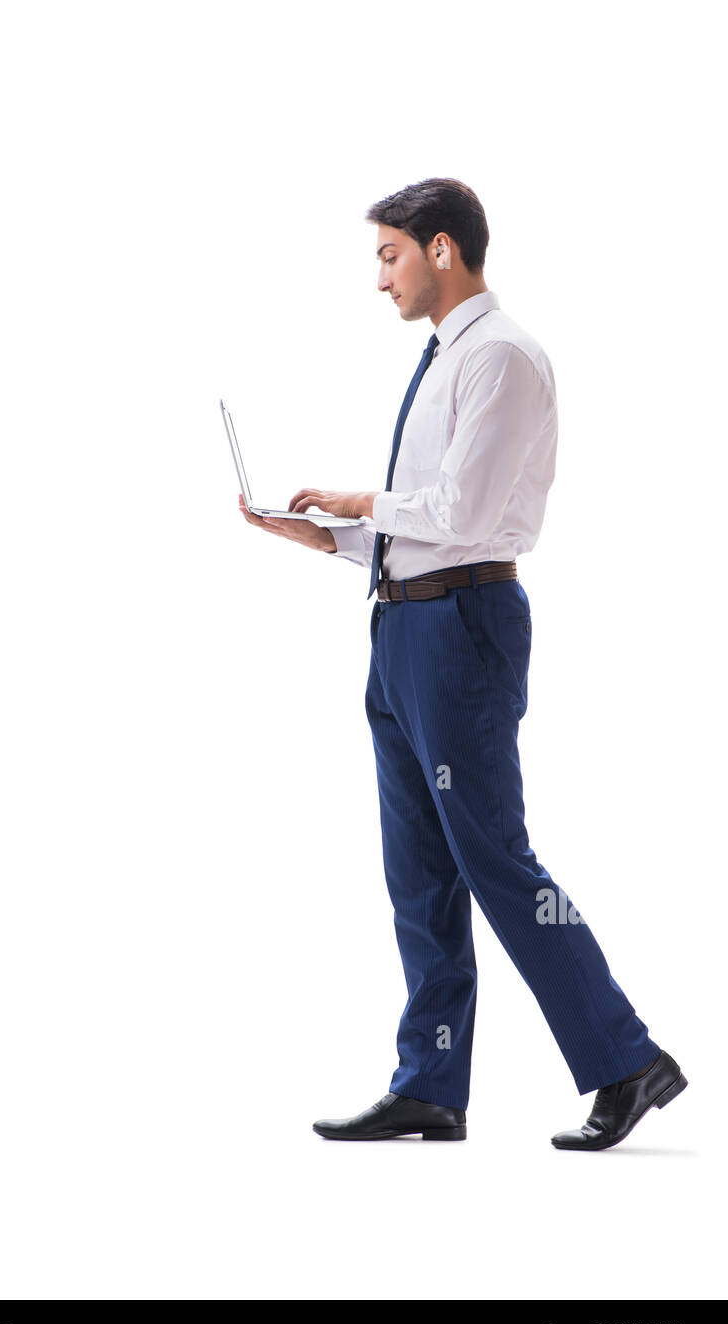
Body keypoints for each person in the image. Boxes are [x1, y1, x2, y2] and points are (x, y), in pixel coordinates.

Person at [238, 177, 686, 1151]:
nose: (381, 277)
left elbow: (467, 519)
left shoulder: (505, 359)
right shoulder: (447, 358)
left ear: (443, 250)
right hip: (402, 626)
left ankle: (627, 1058)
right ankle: (432, 1082)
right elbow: (427, 529)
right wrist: (331, 541)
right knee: (420, 872)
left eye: (390, 255)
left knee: (493, 856)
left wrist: (363, 503)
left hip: (462, 631)